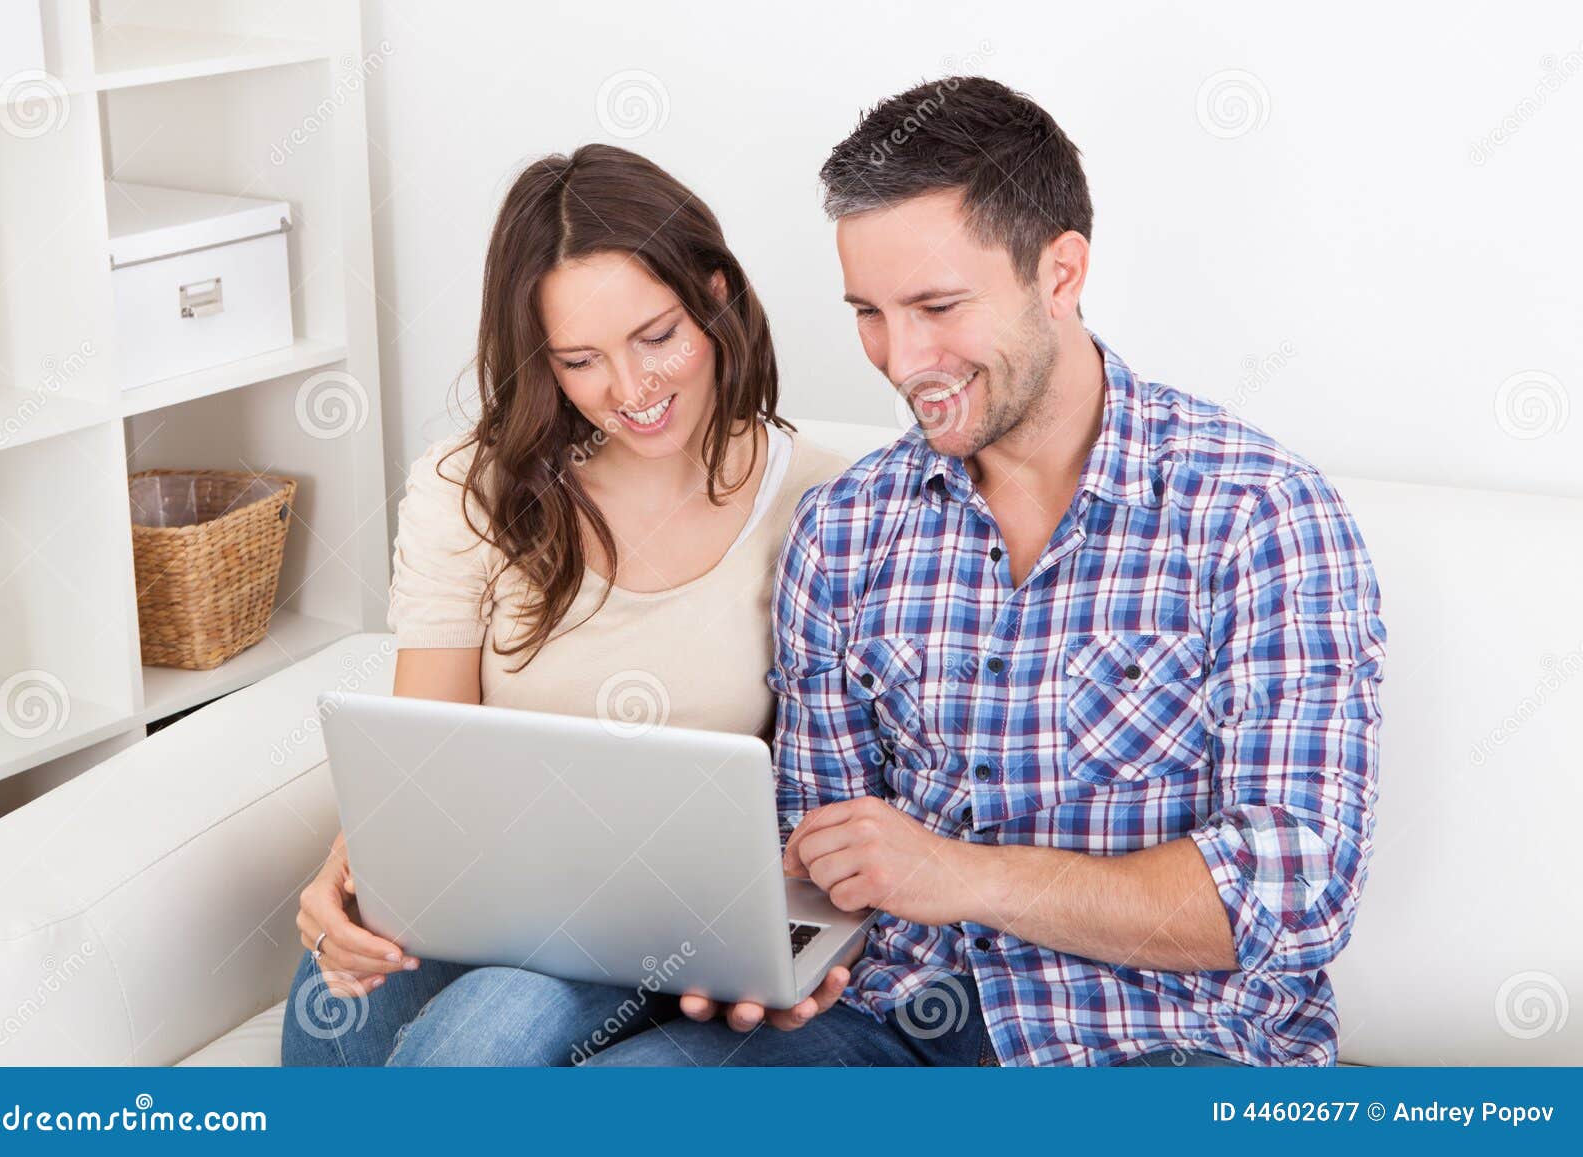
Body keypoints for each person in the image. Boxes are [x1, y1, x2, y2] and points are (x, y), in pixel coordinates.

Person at [586, 77, 1387, 1067]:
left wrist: (958, 874)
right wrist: (784, 954)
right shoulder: (844, 531)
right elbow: (815, 853)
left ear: (1059, 273)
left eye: (936, 306)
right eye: (870, 313)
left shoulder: (1254, 514)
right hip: (883, 1031)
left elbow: (1291, 892)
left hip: (1157, 1044)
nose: (903, 357)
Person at [280, 144, 847, 1066]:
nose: (632, 393)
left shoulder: (821, 504)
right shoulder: (473, 487)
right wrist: (349, 872)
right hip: (477, 894)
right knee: (335, 1001)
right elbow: (422, 756)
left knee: (488, 1032)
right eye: (582, 360)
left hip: (661, 923)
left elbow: (825, 795)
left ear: (715, 296)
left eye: (657, 336)